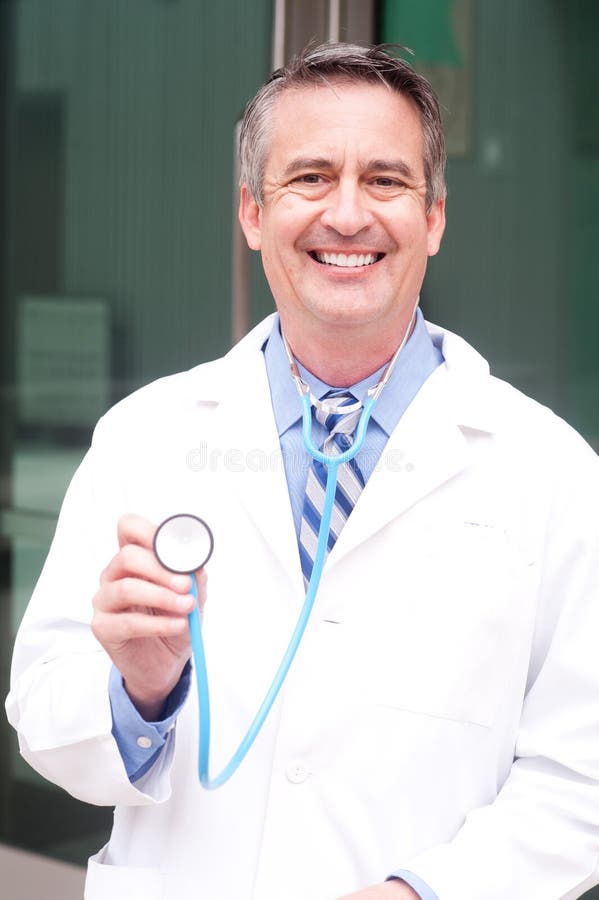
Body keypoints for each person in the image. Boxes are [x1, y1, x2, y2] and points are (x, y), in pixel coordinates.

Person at [6, 42, 599, 900]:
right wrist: (138, 689)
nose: (348, 214)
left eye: (387, 181)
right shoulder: (145, 436)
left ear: (433, 217)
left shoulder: (550, 471)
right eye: (310, 178)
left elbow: (581, 774)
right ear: (252, 213)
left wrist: (423, 894)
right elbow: (45, 720)